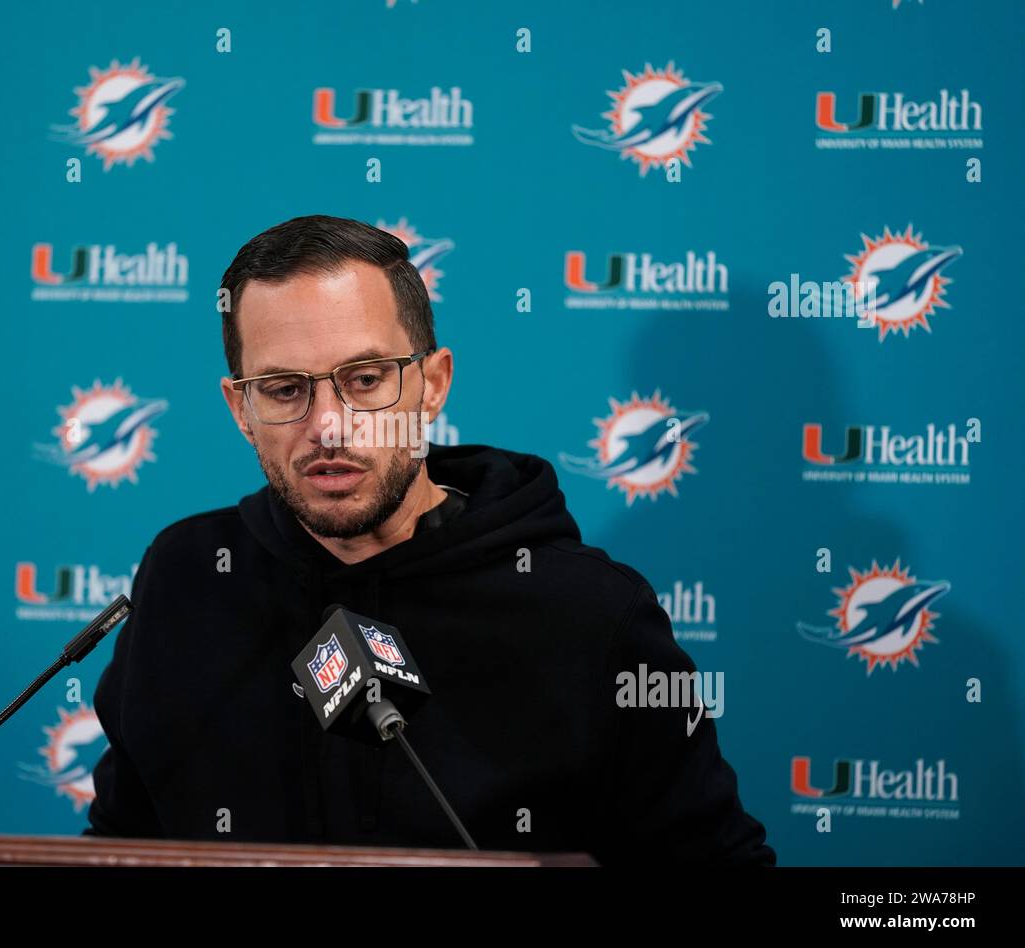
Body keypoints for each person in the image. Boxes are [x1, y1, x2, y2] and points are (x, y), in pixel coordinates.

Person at [84, 214, 775, 865]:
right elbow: (122, 841)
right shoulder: (187, 579)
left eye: (364, 380)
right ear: (241, 407)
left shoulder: (590, 613)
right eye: (285, 389)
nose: (329, 425)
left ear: (432, 384)